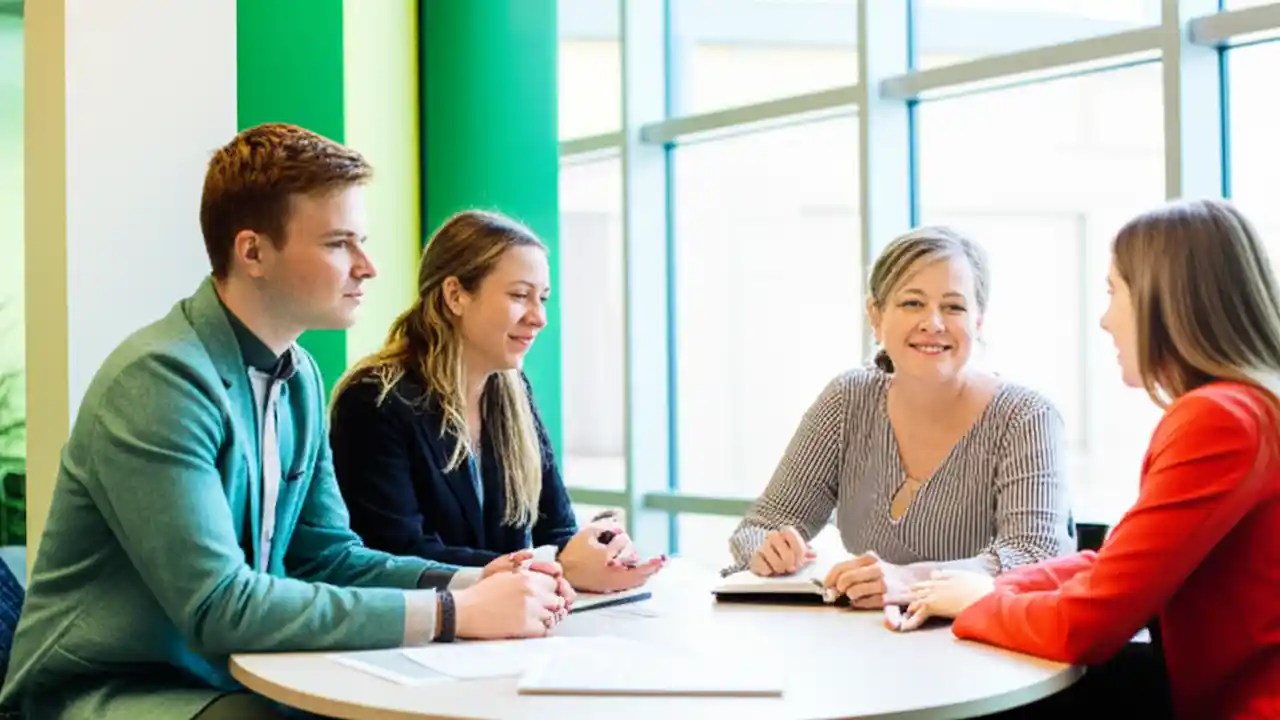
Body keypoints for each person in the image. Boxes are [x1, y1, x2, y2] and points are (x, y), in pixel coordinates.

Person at [0, 124, 574, 720]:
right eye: (338, 243)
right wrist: (457, 613)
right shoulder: (158, 382)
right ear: (253, 252)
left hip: (227, 674)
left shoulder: (297, 376)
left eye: (363, 241)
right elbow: (220, 606)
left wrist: (474, 579)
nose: (368, 266)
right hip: (112, 690)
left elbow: (328, 558)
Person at [891, 199, 1280, 719]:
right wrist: (975, 585)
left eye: (1114, 291)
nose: (1104, 320)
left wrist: (979, 602)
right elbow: (1120, 565)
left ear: (1166, 301)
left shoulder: (1219, 420)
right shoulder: (1254, 409)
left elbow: (1088, 625)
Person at [727, 226, 1073, 608]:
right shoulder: (848, 400)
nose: (933, 323)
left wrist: (908, 581)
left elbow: (1037, 556)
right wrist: (769, 549)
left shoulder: (1025, 417)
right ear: (875, 315)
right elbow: (759, 526)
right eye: (912, 303)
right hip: (871, 645)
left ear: (978, 321)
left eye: (954, 307)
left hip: (988, 651)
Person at [329, 209, 665, 594]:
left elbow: (556, 529)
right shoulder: (375, 398)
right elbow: (398, 554)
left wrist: (598, 552)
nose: (538, 317)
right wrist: (555, 567)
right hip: (422, 631)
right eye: (520, 295)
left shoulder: (512, 391)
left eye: (542, 298)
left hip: (505, 626)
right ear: (455, 295)